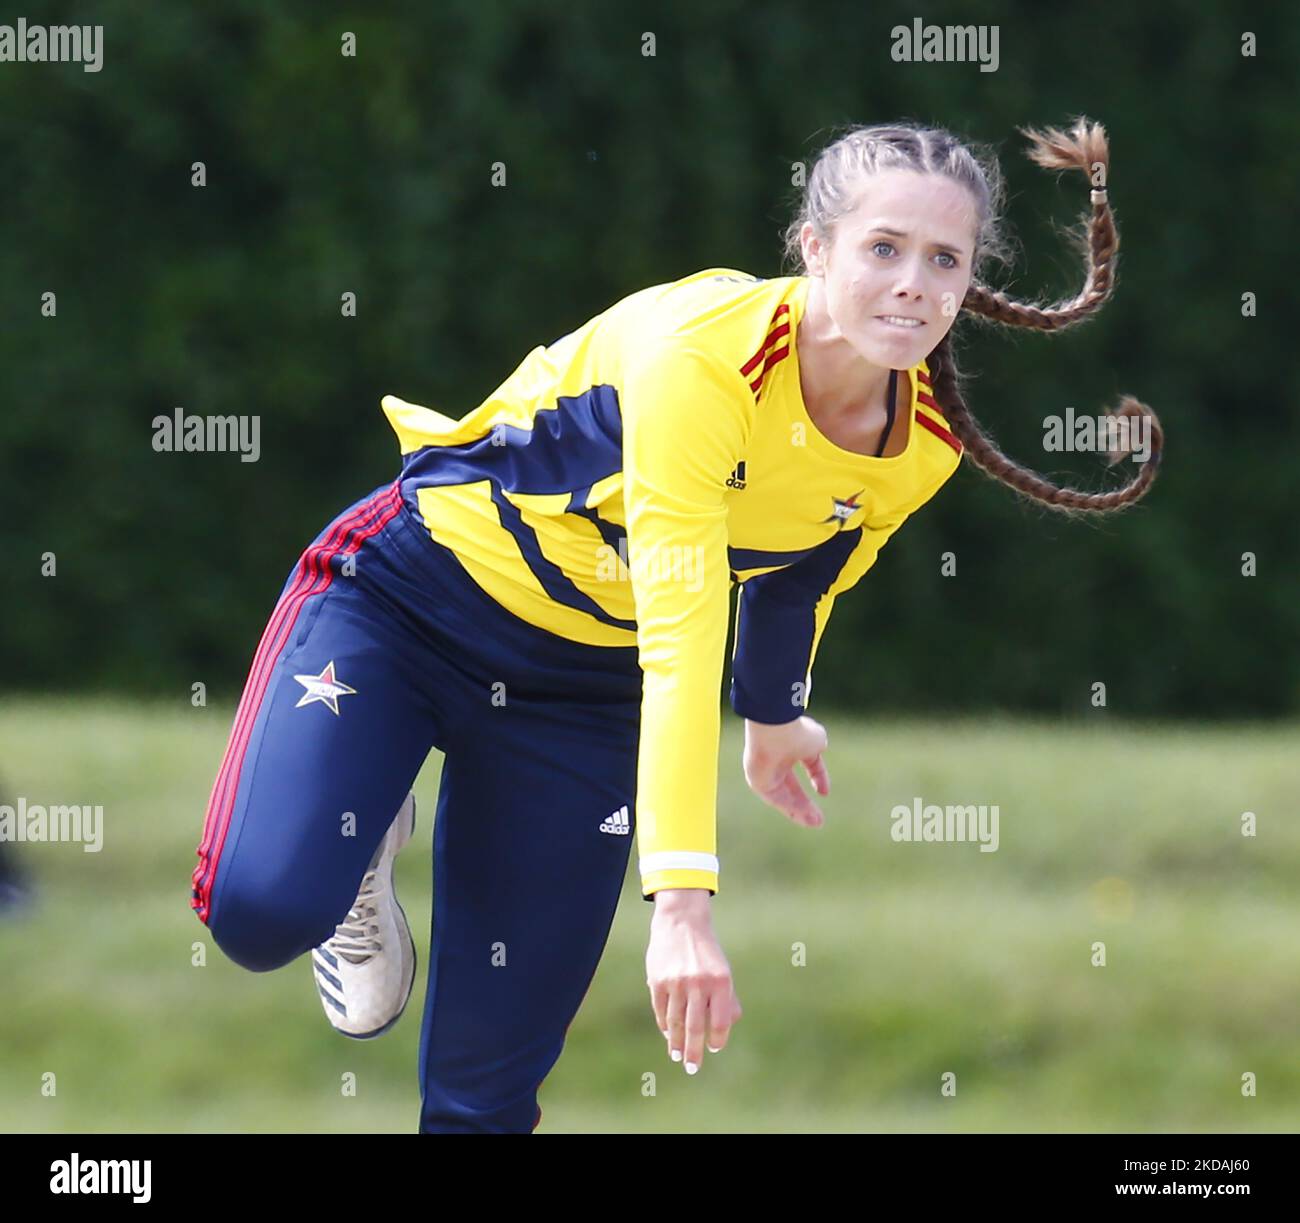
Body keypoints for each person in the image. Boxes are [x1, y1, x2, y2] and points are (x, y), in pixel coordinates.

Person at [189, 116, 1162, 1134]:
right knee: (261, 917)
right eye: (882, 247)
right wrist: (684, 909)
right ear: (813, 248)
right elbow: (684, 628)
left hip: (576, 695)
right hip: (408, 598)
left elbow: (798, 581)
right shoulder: (704, 359)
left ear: (970, 279)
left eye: (942, 258)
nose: (913, 282)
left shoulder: (919, 443)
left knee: (483, 1099)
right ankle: (358, 849)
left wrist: (777, 714)